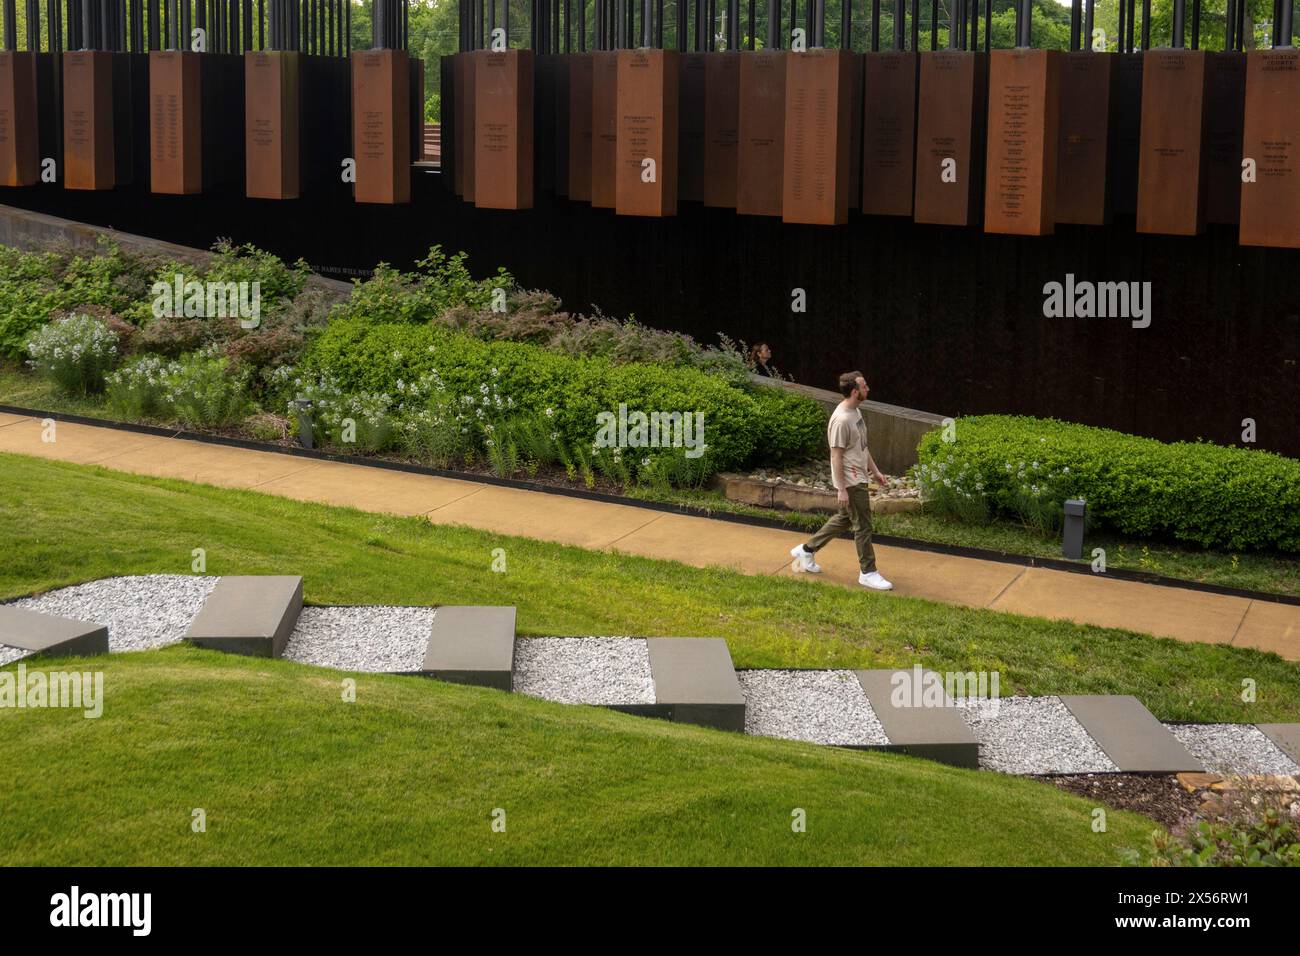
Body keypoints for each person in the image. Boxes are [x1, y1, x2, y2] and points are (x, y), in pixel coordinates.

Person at [789, 371, 893, 590]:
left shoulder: (856, 412)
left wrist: (875, 471)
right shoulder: (842, 419)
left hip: (860, 475)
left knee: (844, 519)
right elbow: (836, 456)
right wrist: (842, 489)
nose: (868, 389)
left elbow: (862, 446)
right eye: (864, 386)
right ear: (855, 391)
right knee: (863, 526)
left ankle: (806, 550)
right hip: (851, 481)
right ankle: (868, 572)